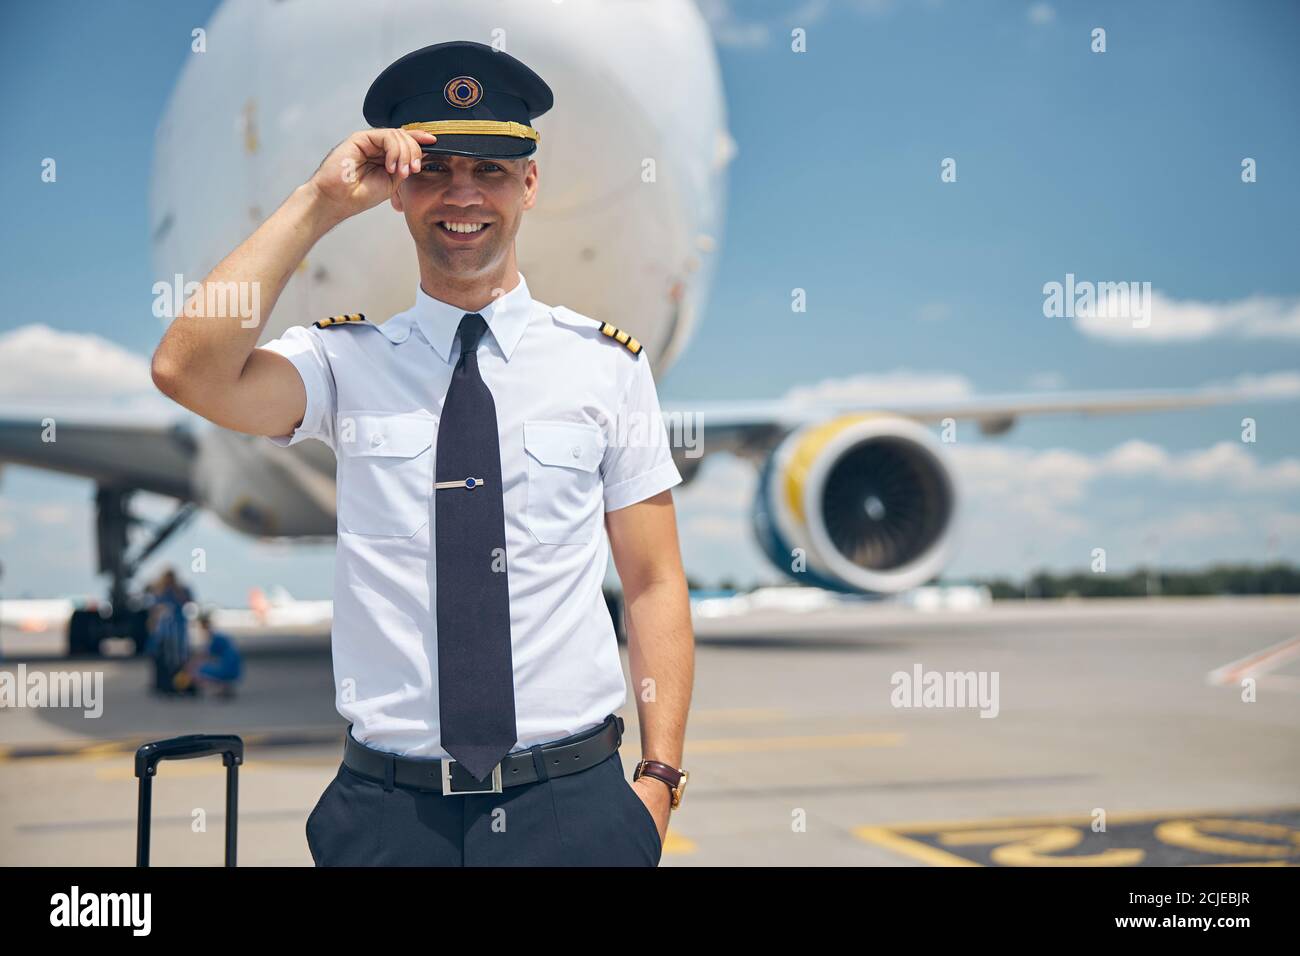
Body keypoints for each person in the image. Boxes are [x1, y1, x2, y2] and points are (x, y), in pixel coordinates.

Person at [151, 40, 694, 866]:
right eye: (435, 170)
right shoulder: (343, 364)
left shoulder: (605, 369)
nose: (463, 195)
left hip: (573, 809)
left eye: (492, 169)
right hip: (388, 818)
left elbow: (654, 584)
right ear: (399, 191)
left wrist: (657, 783)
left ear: (530, 185)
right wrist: (320, 201)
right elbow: (186, 371)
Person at [144, 568, 195, 696]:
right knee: (167, 659)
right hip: (168, 632)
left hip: (174, 632)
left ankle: (177, 684)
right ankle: (169, 684)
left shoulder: (176, 591)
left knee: (176, 659)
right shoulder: (162, 592)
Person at [175, 608, 243, 699]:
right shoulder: (218, 635)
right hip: (233, 661)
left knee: (202, 671)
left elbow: (205, 654)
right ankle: (225, 690)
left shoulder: (214, 637)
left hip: (228, 664)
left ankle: (222, 690)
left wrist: (190, 664)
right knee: (207, 669)